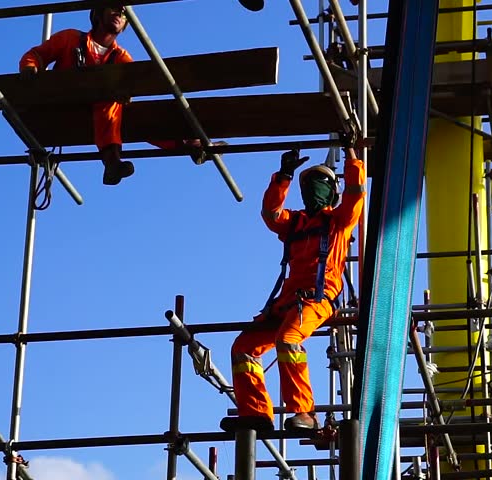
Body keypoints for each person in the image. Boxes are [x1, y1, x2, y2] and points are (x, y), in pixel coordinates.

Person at [223, 144, 366, 432]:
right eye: (309, 184)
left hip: (318, 298)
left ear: (332, 192)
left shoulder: (338, 222)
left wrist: (353, 159)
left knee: (288, 339)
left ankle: (305, 413)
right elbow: (271, 212)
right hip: (288, 301)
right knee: (244, 348)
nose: (313, 189)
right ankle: (256, 414)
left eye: (321, 183)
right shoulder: (296, 223)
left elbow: (356, 194)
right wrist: (284, 176)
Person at [19, 6, 209, 186]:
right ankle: (111, 161)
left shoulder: (121, 57)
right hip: (64, 111)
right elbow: (36, 54)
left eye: (124, 13)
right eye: (113, 7)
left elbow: (130, 89)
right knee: (109, 97)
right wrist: (30, 67)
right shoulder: (71, 39)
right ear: (98, 13)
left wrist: (126, 95)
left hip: (101, 121)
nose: (119, 14)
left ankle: (188, 144)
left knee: (133, 115)